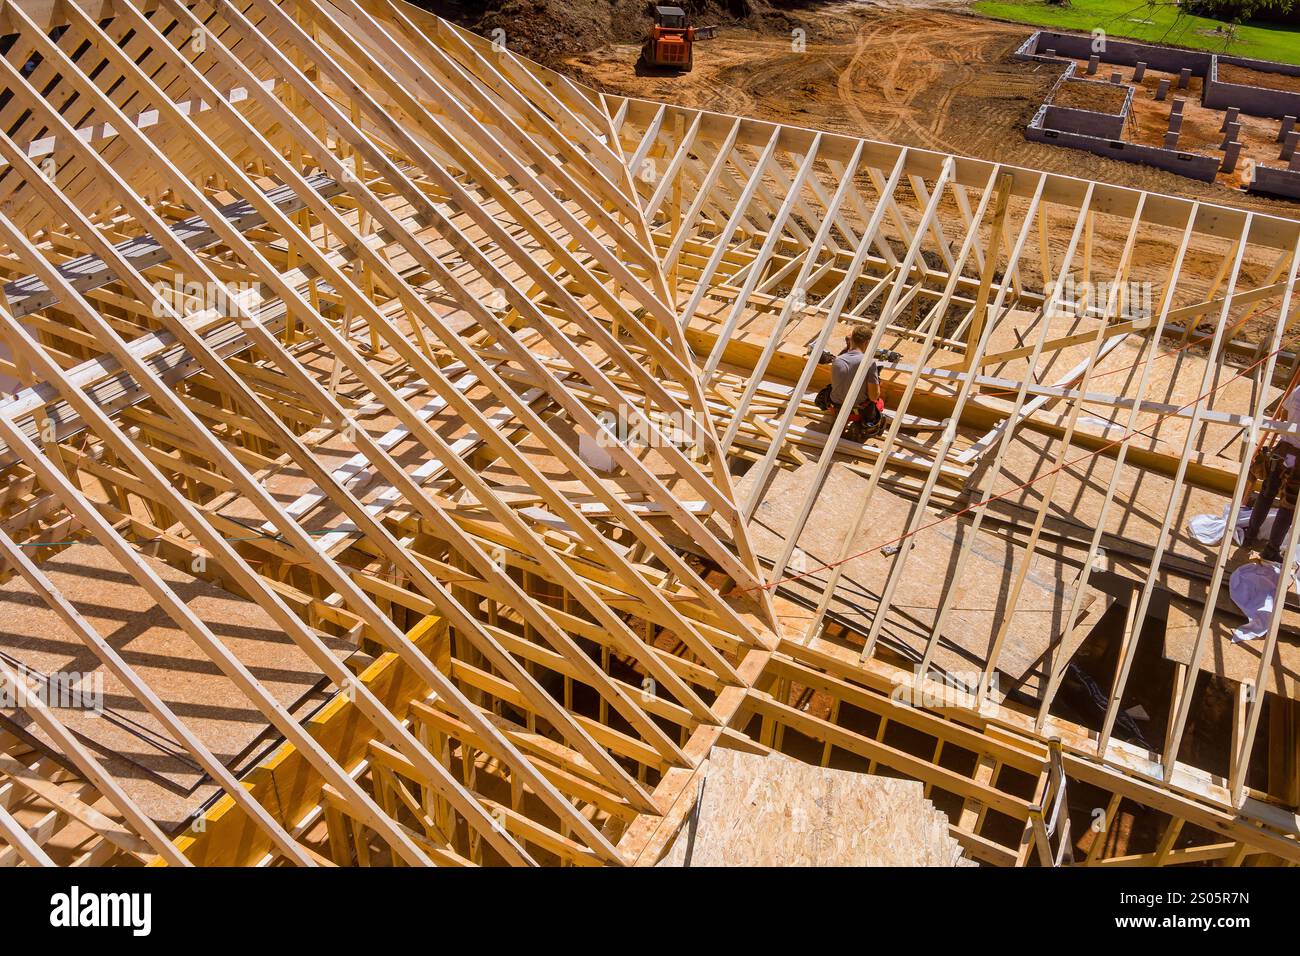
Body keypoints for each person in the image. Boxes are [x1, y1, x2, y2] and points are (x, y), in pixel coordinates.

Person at [1246, 385, 1300, 562]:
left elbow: (1284, 415)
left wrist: (1288, 436)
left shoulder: (1299, 389)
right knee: (1288, 507)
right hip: (1297, 458)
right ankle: (1271, 550)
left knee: (1267, 494)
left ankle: (1250, 534)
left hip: (1282, 450)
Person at [813, 326, 886, 440]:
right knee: (879, 403)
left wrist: (848, 344)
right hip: (856, 411)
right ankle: (860, 428)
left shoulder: (837, 360)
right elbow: (873, 396)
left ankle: (838, 421)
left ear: (851, 340)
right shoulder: (868, 363)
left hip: (834, 406)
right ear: (867, 343)